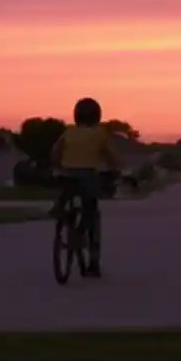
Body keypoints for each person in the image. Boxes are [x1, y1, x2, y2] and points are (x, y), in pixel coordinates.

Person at [49, 97, 121, 278]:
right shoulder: (100, 133)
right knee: (91, 209)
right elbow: (111, 157)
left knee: (67, 189)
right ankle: (88, 252)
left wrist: (57, 166)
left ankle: (60, 206)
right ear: (98, 115)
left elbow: (55, 152)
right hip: (88, 175)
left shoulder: (69, 132)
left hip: (67, 174)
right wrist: (116, 171)